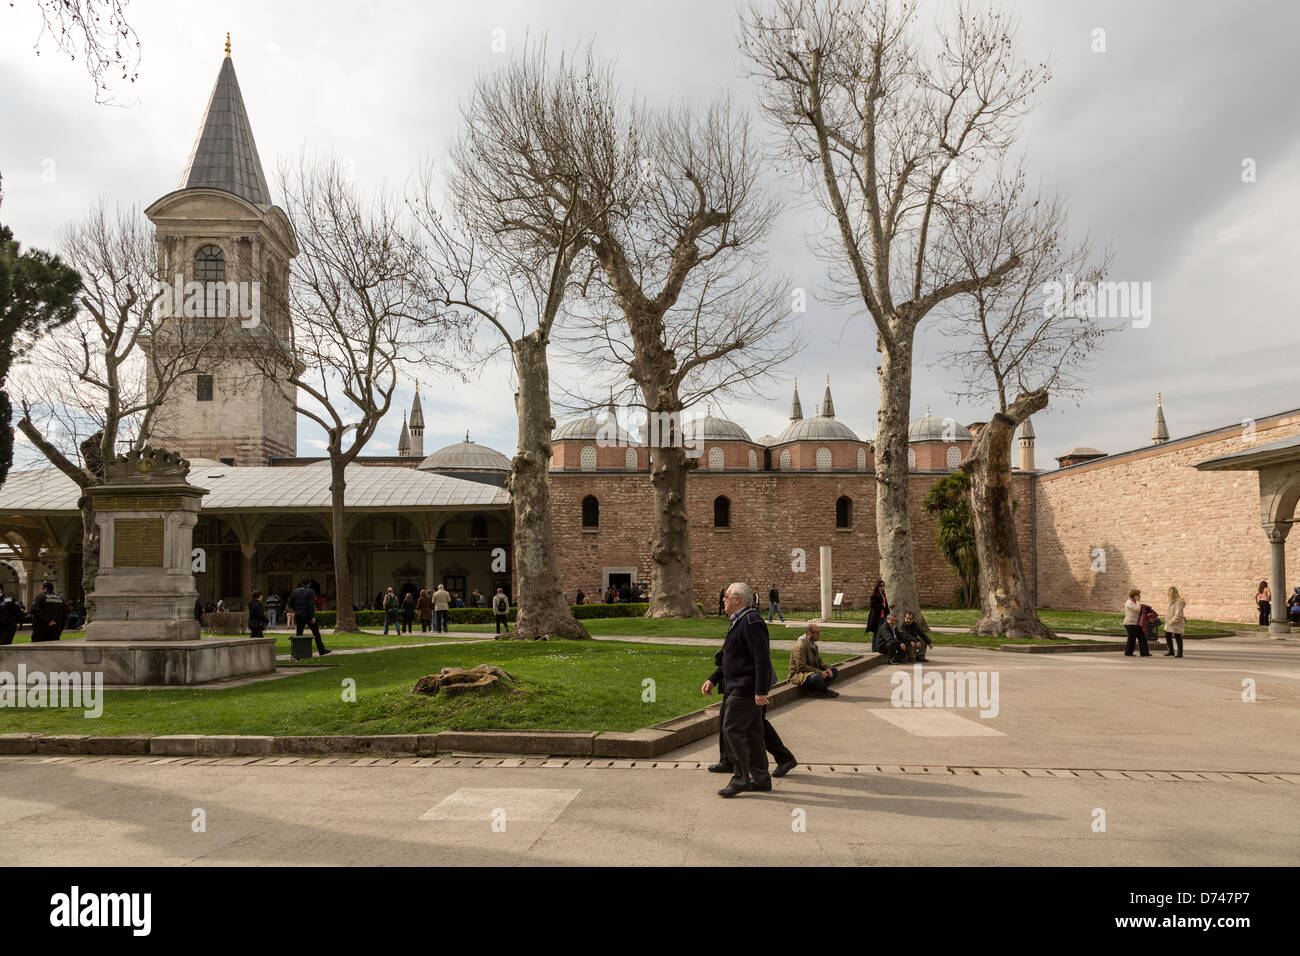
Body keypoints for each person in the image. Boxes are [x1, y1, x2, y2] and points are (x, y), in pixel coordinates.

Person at [701, 582, 774, 798]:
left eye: (726, 596)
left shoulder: (751, 621)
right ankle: (761, 779)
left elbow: (761, 658)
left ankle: (741, 778)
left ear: (738, 600)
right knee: (753, 733)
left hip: (745, 689)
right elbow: (731, 656)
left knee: (731, 730)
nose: (723, 599)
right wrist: (714, 678)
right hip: (739, 686)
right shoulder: (740, 620)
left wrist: (760, 690)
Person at [788, 622, 838, 697]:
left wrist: (827, 668)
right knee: (816, 677)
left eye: (819, 632)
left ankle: (816, 691)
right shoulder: (800, 646)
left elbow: (820, 661)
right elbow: (801, 666)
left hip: (811, 672)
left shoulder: (814, 645)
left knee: (834, 671)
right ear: (809, 633)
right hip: (798, 674)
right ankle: (824, 691)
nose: (819, 634)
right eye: (817, 633)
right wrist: (820, 672)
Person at [288, 579, 329, 656]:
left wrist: (296, 608)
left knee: (299, 633)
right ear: (309, 584)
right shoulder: (310, 591)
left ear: (301, 583)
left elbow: (290, 603)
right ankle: (321, 650)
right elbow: (311, 605)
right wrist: (312, 616)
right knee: (316, 632)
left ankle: (297, 652)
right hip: (308, 615)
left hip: (299, 614)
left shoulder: (295, 591)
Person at [1123, 588, 1150, 657]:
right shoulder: (1129, 603)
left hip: (1136, 623)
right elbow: (1137, 610)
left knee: (1142, 637)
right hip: (1130, 623)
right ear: (1135, 596)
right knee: (1132, 638)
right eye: (1139, 595)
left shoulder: (1134, 602)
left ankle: (1145, 652)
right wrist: (1138, 602)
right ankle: (1128, 652)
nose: (1140, 597)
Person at [1164, 586, 1186, 658]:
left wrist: (1171, 621)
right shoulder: (1172, 602)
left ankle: (1180, 652)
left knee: (1177, 636)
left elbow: (1178, 614)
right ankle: (1171, 650)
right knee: (1168, 635)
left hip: (1176, 622)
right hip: (1170, 622)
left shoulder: (1178, 602)